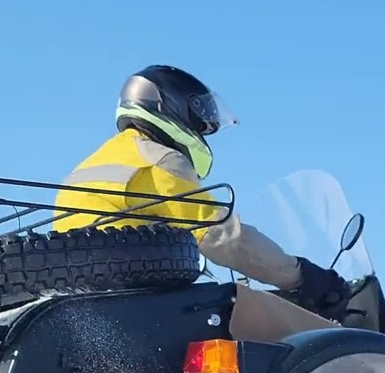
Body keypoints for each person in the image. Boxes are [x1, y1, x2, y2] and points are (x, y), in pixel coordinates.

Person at [52, 64, 348, 314]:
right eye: (197, 114)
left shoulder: (92, 163)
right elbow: (219, 236)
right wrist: (302, 276)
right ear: (172, 105)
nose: (200, 128)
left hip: (83, 297)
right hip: (135, 299)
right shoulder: (158, 158)